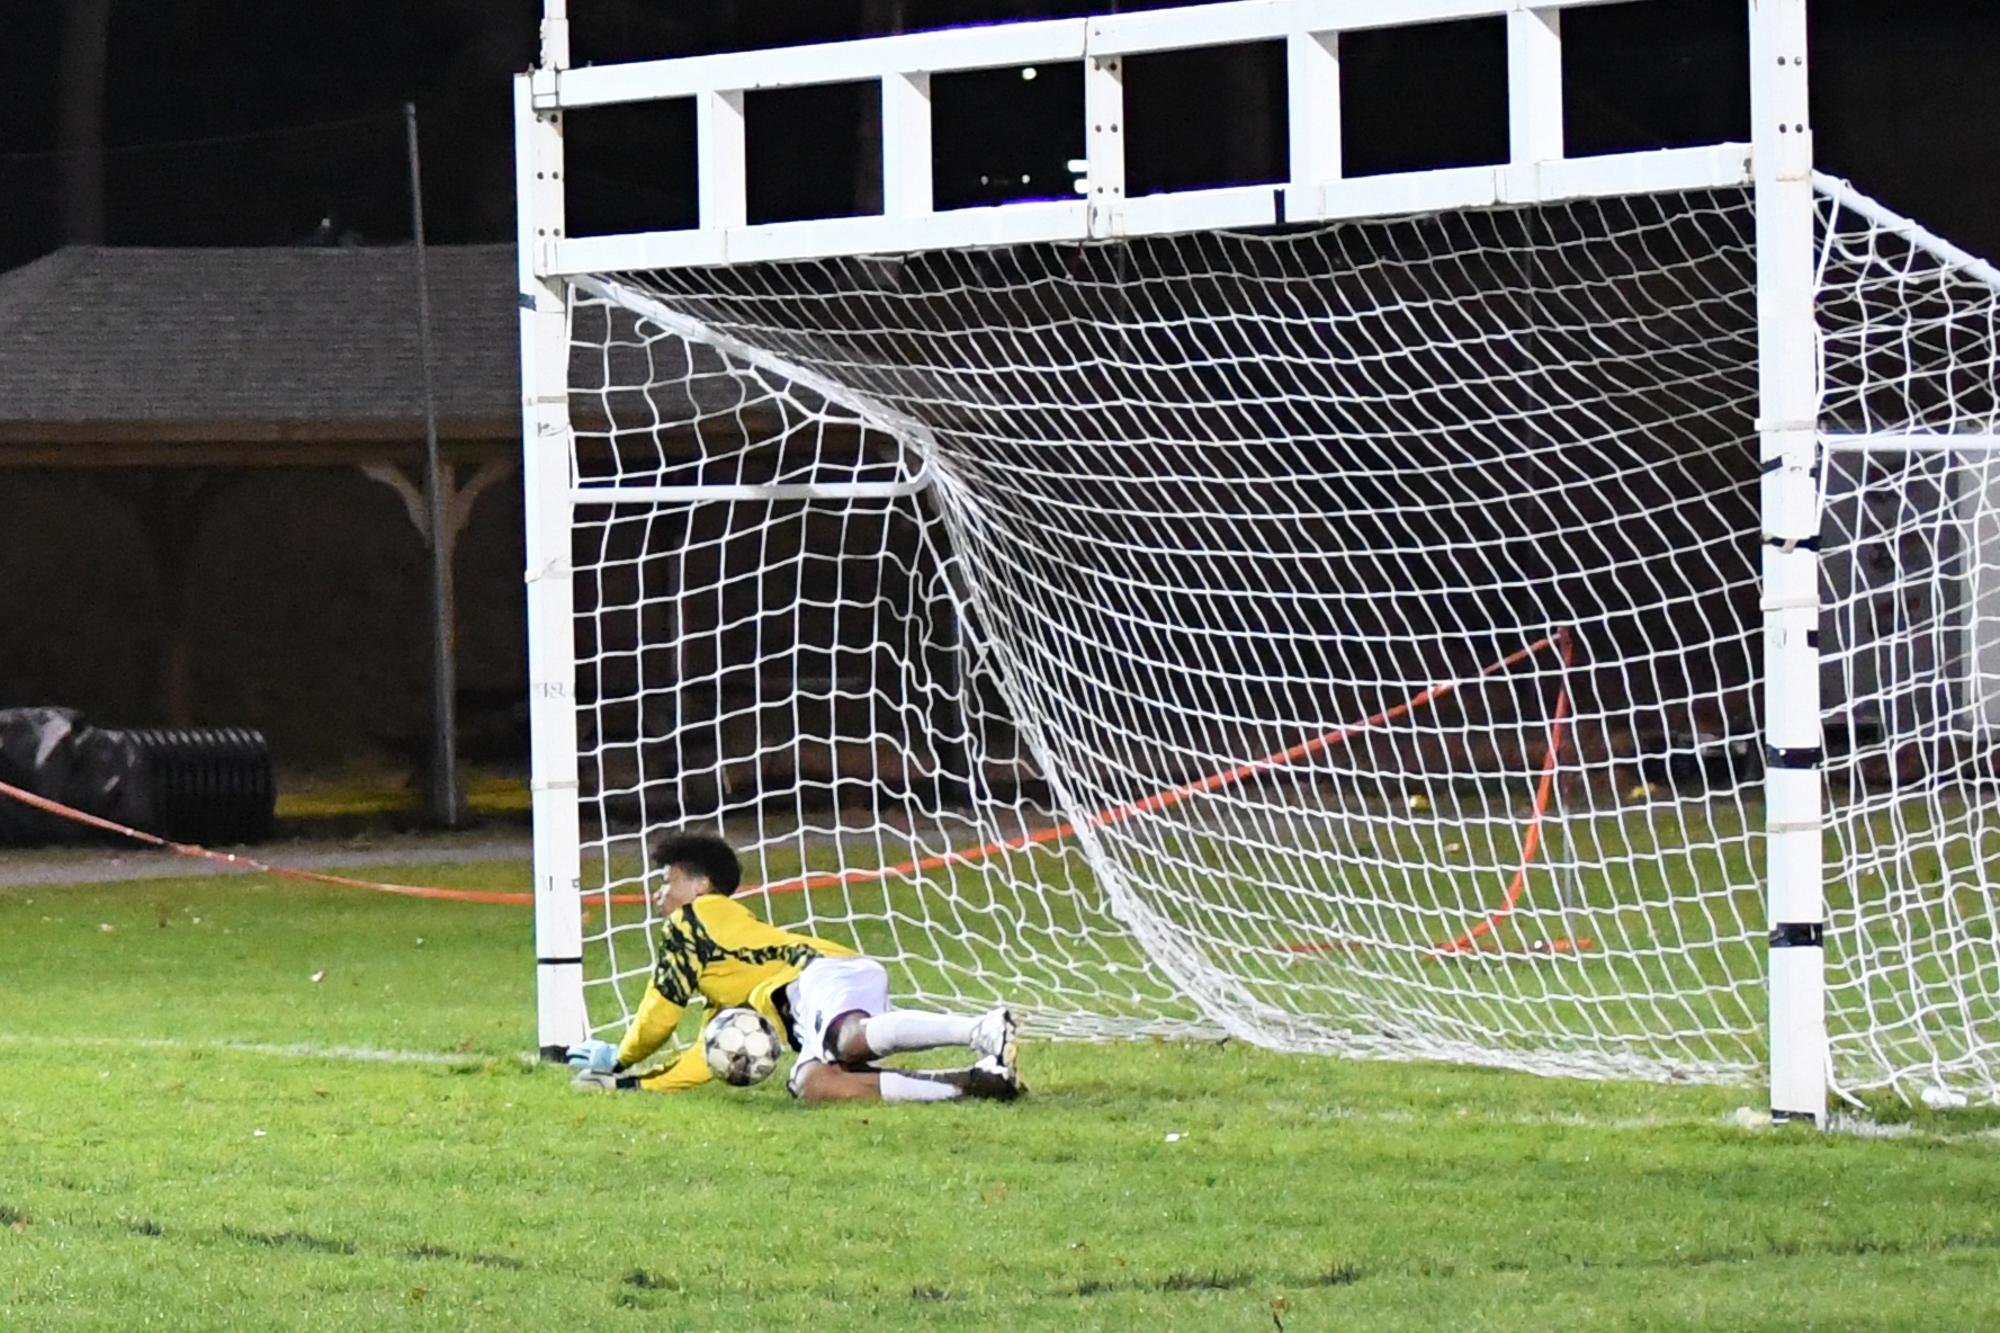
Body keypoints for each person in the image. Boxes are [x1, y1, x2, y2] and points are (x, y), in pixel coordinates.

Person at [568, 832, 1022, 1104]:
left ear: (700, 886)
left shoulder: (692, 922)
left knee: (846, 1038)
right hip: (814, 997)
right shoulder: (724, 959)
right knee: (815, 1083)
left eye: (667, 881)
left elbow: (660, 1013)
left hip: (821, 976)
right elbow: (707, 1055)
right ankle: (975, 1083)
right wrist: (633, 1087)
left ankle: (980, 1030)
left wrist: (622, 1057)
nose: (658, 895)